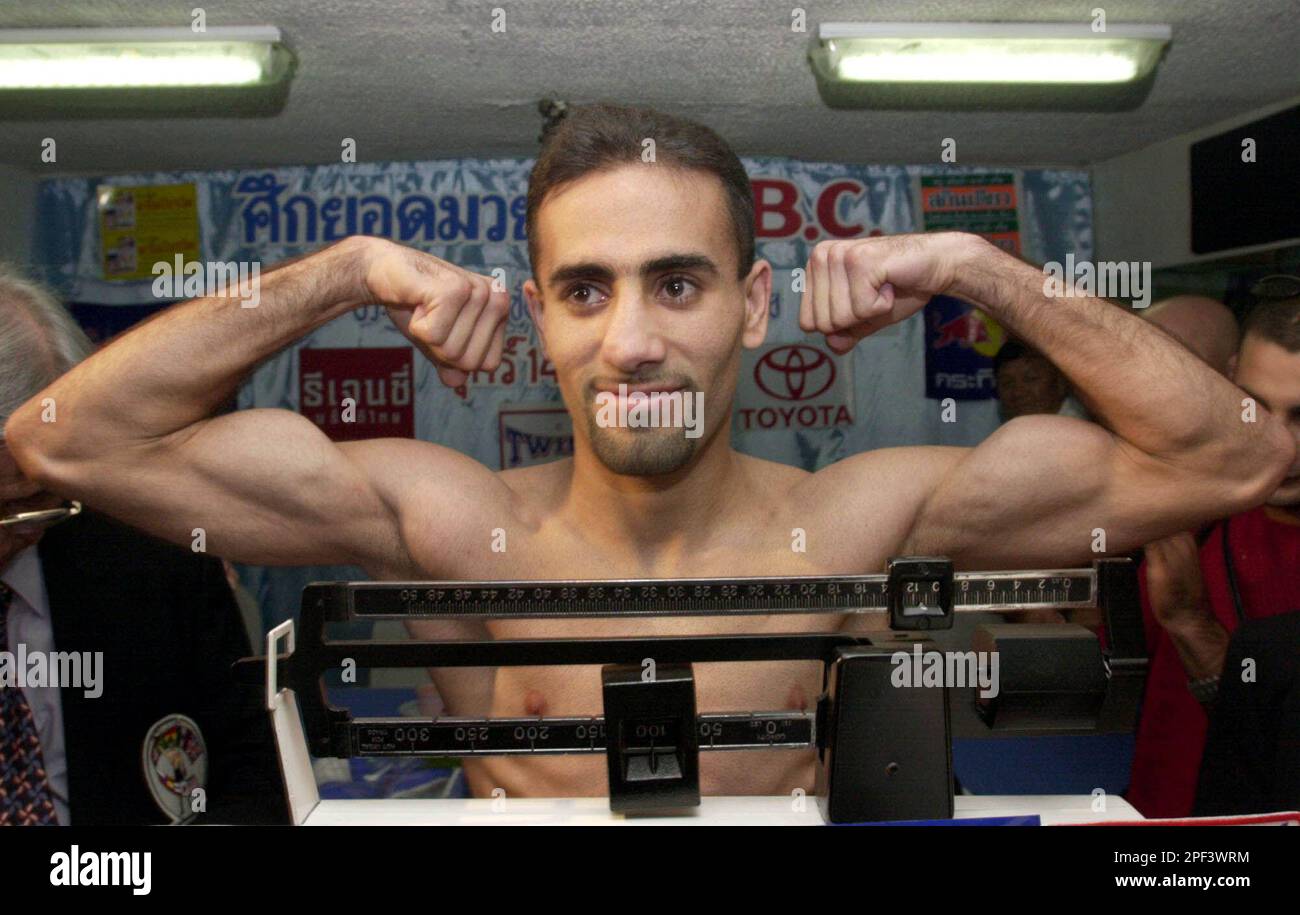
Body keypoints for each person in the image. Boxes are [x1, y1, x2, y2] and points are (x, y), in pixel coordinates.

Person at [6, 104, 1294, 801]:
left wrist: (977, 268)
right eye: (585, 290)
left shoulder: (863, 522)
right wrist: (337, 274)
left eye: (678, 285)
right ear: (537, 316)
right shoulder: (451, 526)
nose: (630, 342)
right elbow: (59, 440)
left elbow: (1229, 461)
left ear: (756, 305)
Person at [0, 268, 285, 824]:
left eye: (52, 492)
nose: (34, 525)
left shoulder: (158, 552)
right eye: (10, 503)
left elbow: (253, 775)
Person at [1127, 294, 1300, 818]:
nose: (1281, 443)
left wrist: (1192, 625)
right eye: (1256, 406)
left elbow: (1276, 744)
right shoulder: (1194, 512)